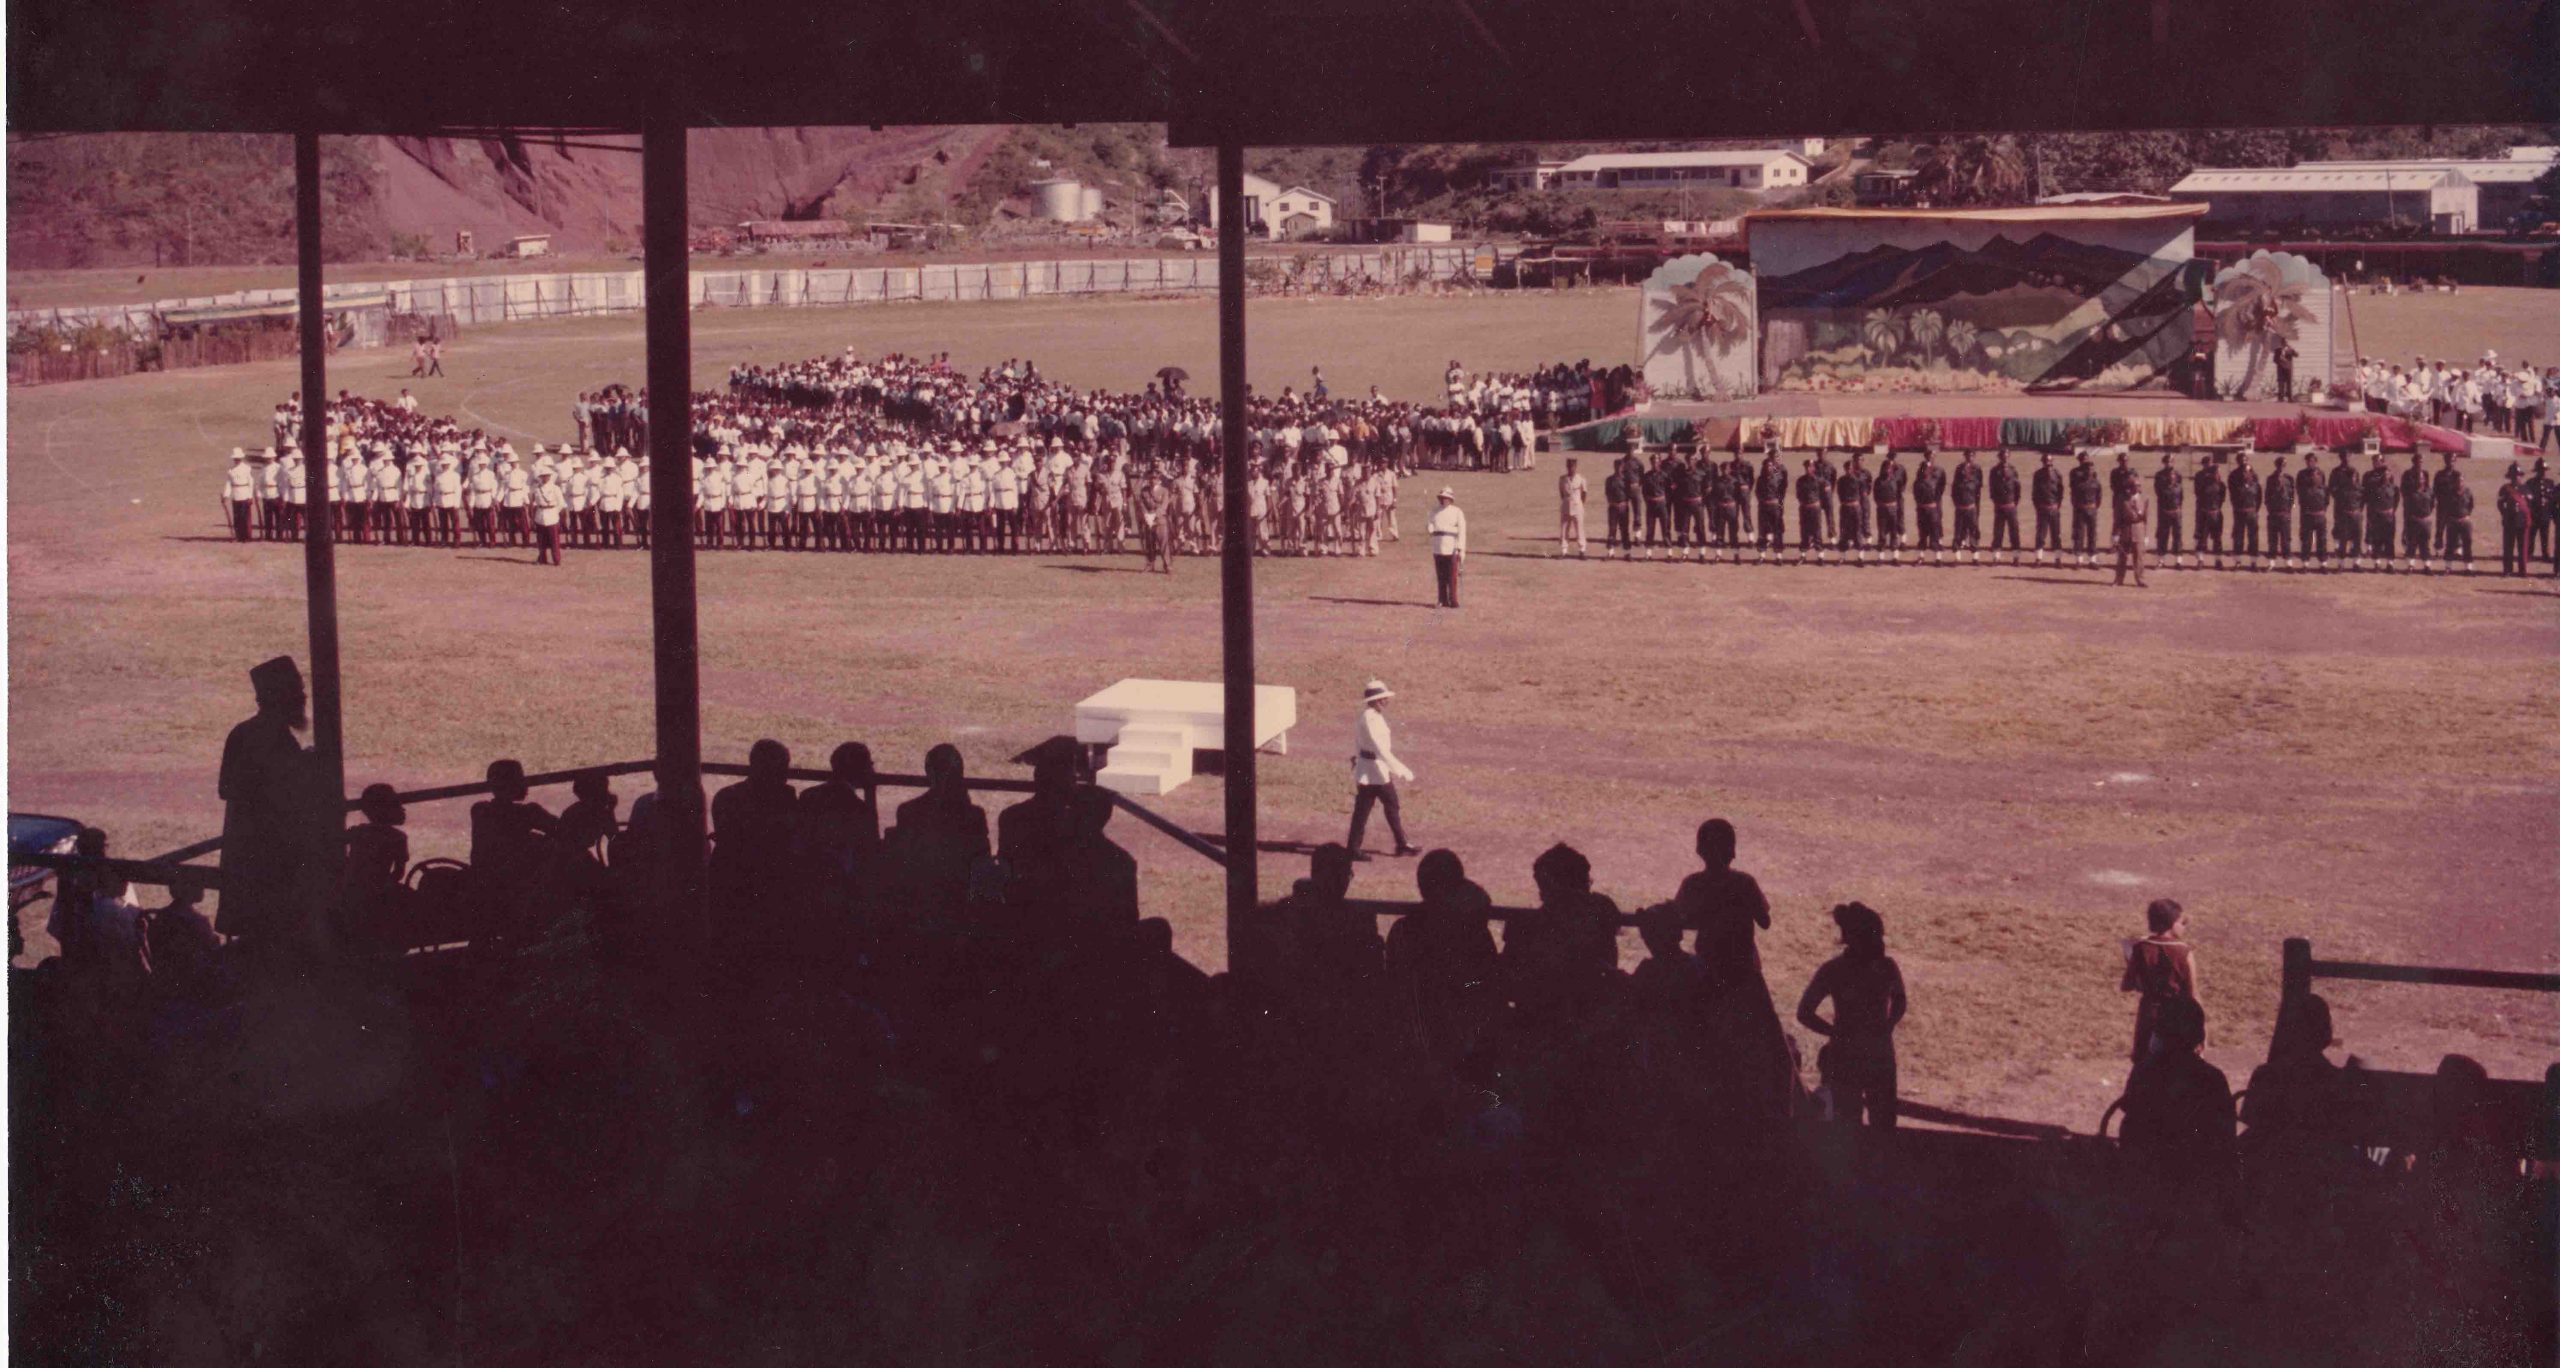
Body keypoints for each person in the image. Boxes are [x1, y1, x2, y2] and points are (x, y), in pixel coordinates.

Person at [217, 656, 322, 947]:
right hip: (269, 854)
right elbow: (234, 788)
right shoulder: (270, 737)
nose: (302, 696)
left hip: (256, 853)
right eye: (296, 689)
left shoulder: (247, 733)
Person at [1796, 901, 1907, 1130]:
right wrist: (1888, 1024)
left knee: (1847, 1124)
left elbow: (1804, 1013)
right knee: (1884, 1122)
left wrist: (1835, 1033)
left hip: (1845, 1052)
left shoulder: (1833, 970)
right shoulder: (1886, 967)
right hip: (1879, 1051)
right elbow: (1899, 999)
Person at [2120, 898, 2198, 1065]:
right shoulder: (2183, 952)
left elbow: (2127, 985)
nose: (2184, 926)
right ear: (2172, 923)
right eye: (2181, 922)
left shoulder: (2140, 948)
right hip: (2175, 1016)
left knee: (2143, 1065)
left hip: (2148, 1014)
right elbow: (2193, 995)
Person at [1347, 677, 1418, 861]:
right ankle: (1356, 848)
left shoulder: (1371, 717)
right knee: (1370, 808)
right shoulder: (1371, 719)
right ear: (1377, 700)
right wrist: (1401, 769)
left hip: (1373, 769)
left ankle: (1400, 843)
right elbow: (1380, 748)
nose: (1386, 701)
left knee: (1384, 805)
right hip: (1373, 771)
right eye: (1383, 698)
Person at [1426, 486, 1466, 608]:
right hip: (1438, 547)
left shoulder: (1457, 511)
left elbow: (1462, 530)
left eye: (1447, 498)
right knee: (1441, 575)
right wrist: (1431, 529)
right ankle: (1442, 599)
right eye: (1443, 498)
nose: (1444, 500)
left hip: (1452, 547)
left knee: (1452, 576)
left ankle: (1453, 600)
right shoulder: (1434, 511)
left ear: (1451, 499)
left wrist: (1460, 548)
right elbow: (1429, 523)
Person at [2113, 471, 2149, 588]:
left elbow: (2145, 518)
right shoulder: (2122, 499)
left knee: (2139, 556)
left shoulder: (2144, 499)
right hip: (2125, 529)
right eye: (2136, 486)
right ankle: (2119, 579)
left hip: (2139, 529)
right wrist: (2116, 534)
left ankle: (2140, 580)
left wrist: (2146, 535)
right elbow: (2117, 518)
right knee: (2122, 556)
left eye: (2139, 486)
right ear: (2130, 487)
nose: (2138, 488)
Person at [1557, 458, 1589, 558]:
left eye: (1573, 466)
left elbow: (1584, 493)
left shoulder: (1581, 479)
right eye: (1569, 466)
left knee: (1579, 529)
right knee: (1564, 528)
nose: (1571, 469)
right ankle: (1564, 550)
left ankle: (1582, 550)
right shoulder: (1562, 479)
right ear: (1567, 467)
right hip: (1566, 505)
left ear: (1576, 467)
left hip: (1577, 506)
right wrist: (1567, 501)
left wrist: (1580, 503)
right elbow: (1561, 493)